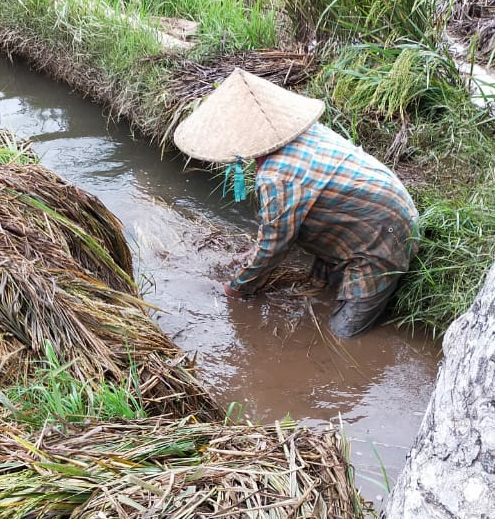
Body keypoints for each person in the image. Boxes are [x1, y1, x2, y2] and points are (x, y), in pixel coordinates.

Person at [173, 67, 418, 337]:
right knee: (319, 288)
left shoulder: (277, 177)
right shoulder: (306, 133)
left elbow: (275, 245)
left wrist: (236, 288)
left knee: (342, 335)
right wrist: (252, 254)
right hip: (379, 212)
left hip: (385, 235)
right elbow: (279, 225)